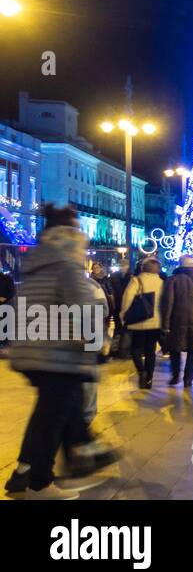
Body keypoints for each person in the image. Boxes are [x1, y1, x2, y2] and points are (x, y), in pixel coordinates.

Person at [5, 205, 120, 499]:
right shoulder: (67, 267)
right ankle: (46, 480)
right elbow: (83, 309)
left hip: (32, 353)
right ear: (72, 236)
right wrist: (101, 345)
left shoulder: (35, 265)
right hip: (56, 355)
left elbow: (21, 309)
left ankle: (37, 472)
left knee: (55, 413)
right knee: (53, 418)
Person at [160, 254, 193, 389]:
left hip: (178, 318)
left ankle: (175, 375)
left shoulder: (173, 280)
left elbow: (168, 303)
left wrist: (165, 324)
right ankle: (188, 379)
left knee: (174, 348)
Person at [121, 255, 165, 388]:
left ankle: (141, 372)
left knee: (136, 349)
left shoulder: (136, 280)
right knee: (150, 351)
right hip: (156, 323)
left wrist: (123, 315)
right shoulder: (162, 282)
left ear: (143, 268)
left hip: (138, 322)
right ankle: (149, 379)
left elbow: (127, 299)